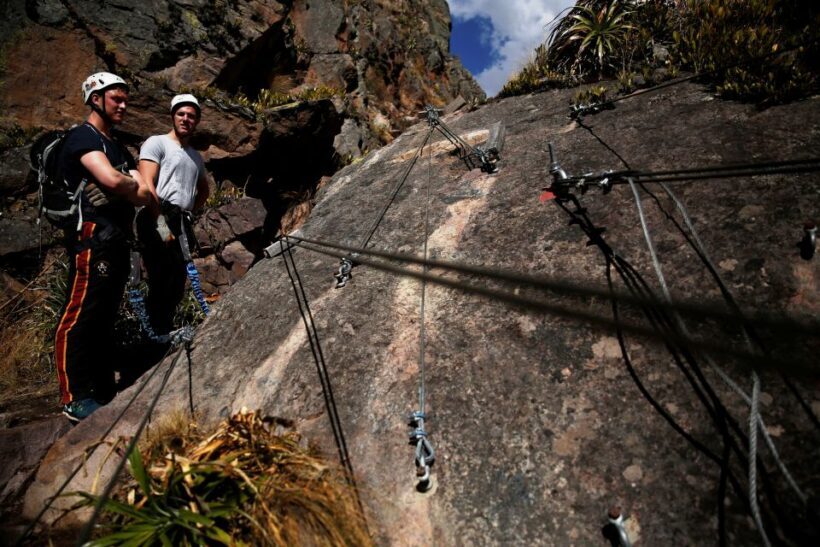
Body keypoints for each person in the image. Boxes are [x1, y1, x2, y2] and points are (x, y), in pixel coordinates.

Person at [54, 72, 152, 422]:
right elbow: (115, 180)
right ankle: (74, 396)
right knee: (81, 314)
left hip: (116, 241)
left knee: (104, 316)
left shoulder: (117, 146)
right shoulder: (83, 137)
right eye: (116, 99)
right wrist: (122, 184)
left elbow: (144, 194)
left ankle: (99, 389)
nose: (124, 105)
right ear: (96, 99)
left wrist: (121, 186)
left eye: (125, 99)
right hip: (92, 238)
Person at [136, 94, 210, 336]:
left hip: (180, 219)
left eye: (191, 116)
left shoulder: (195, 157)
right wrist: (162, 225)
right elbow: (146, 185)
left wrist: (190, 211)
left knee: (176, 280)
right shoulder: (157, 143)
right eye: (181, 114)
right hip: (157, 214)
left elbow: (204, 190)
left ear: (196, 121)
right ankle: (153, 336)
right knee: (161, 276)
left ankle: (163, 331)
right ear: (172, 116)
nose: (186, 119)